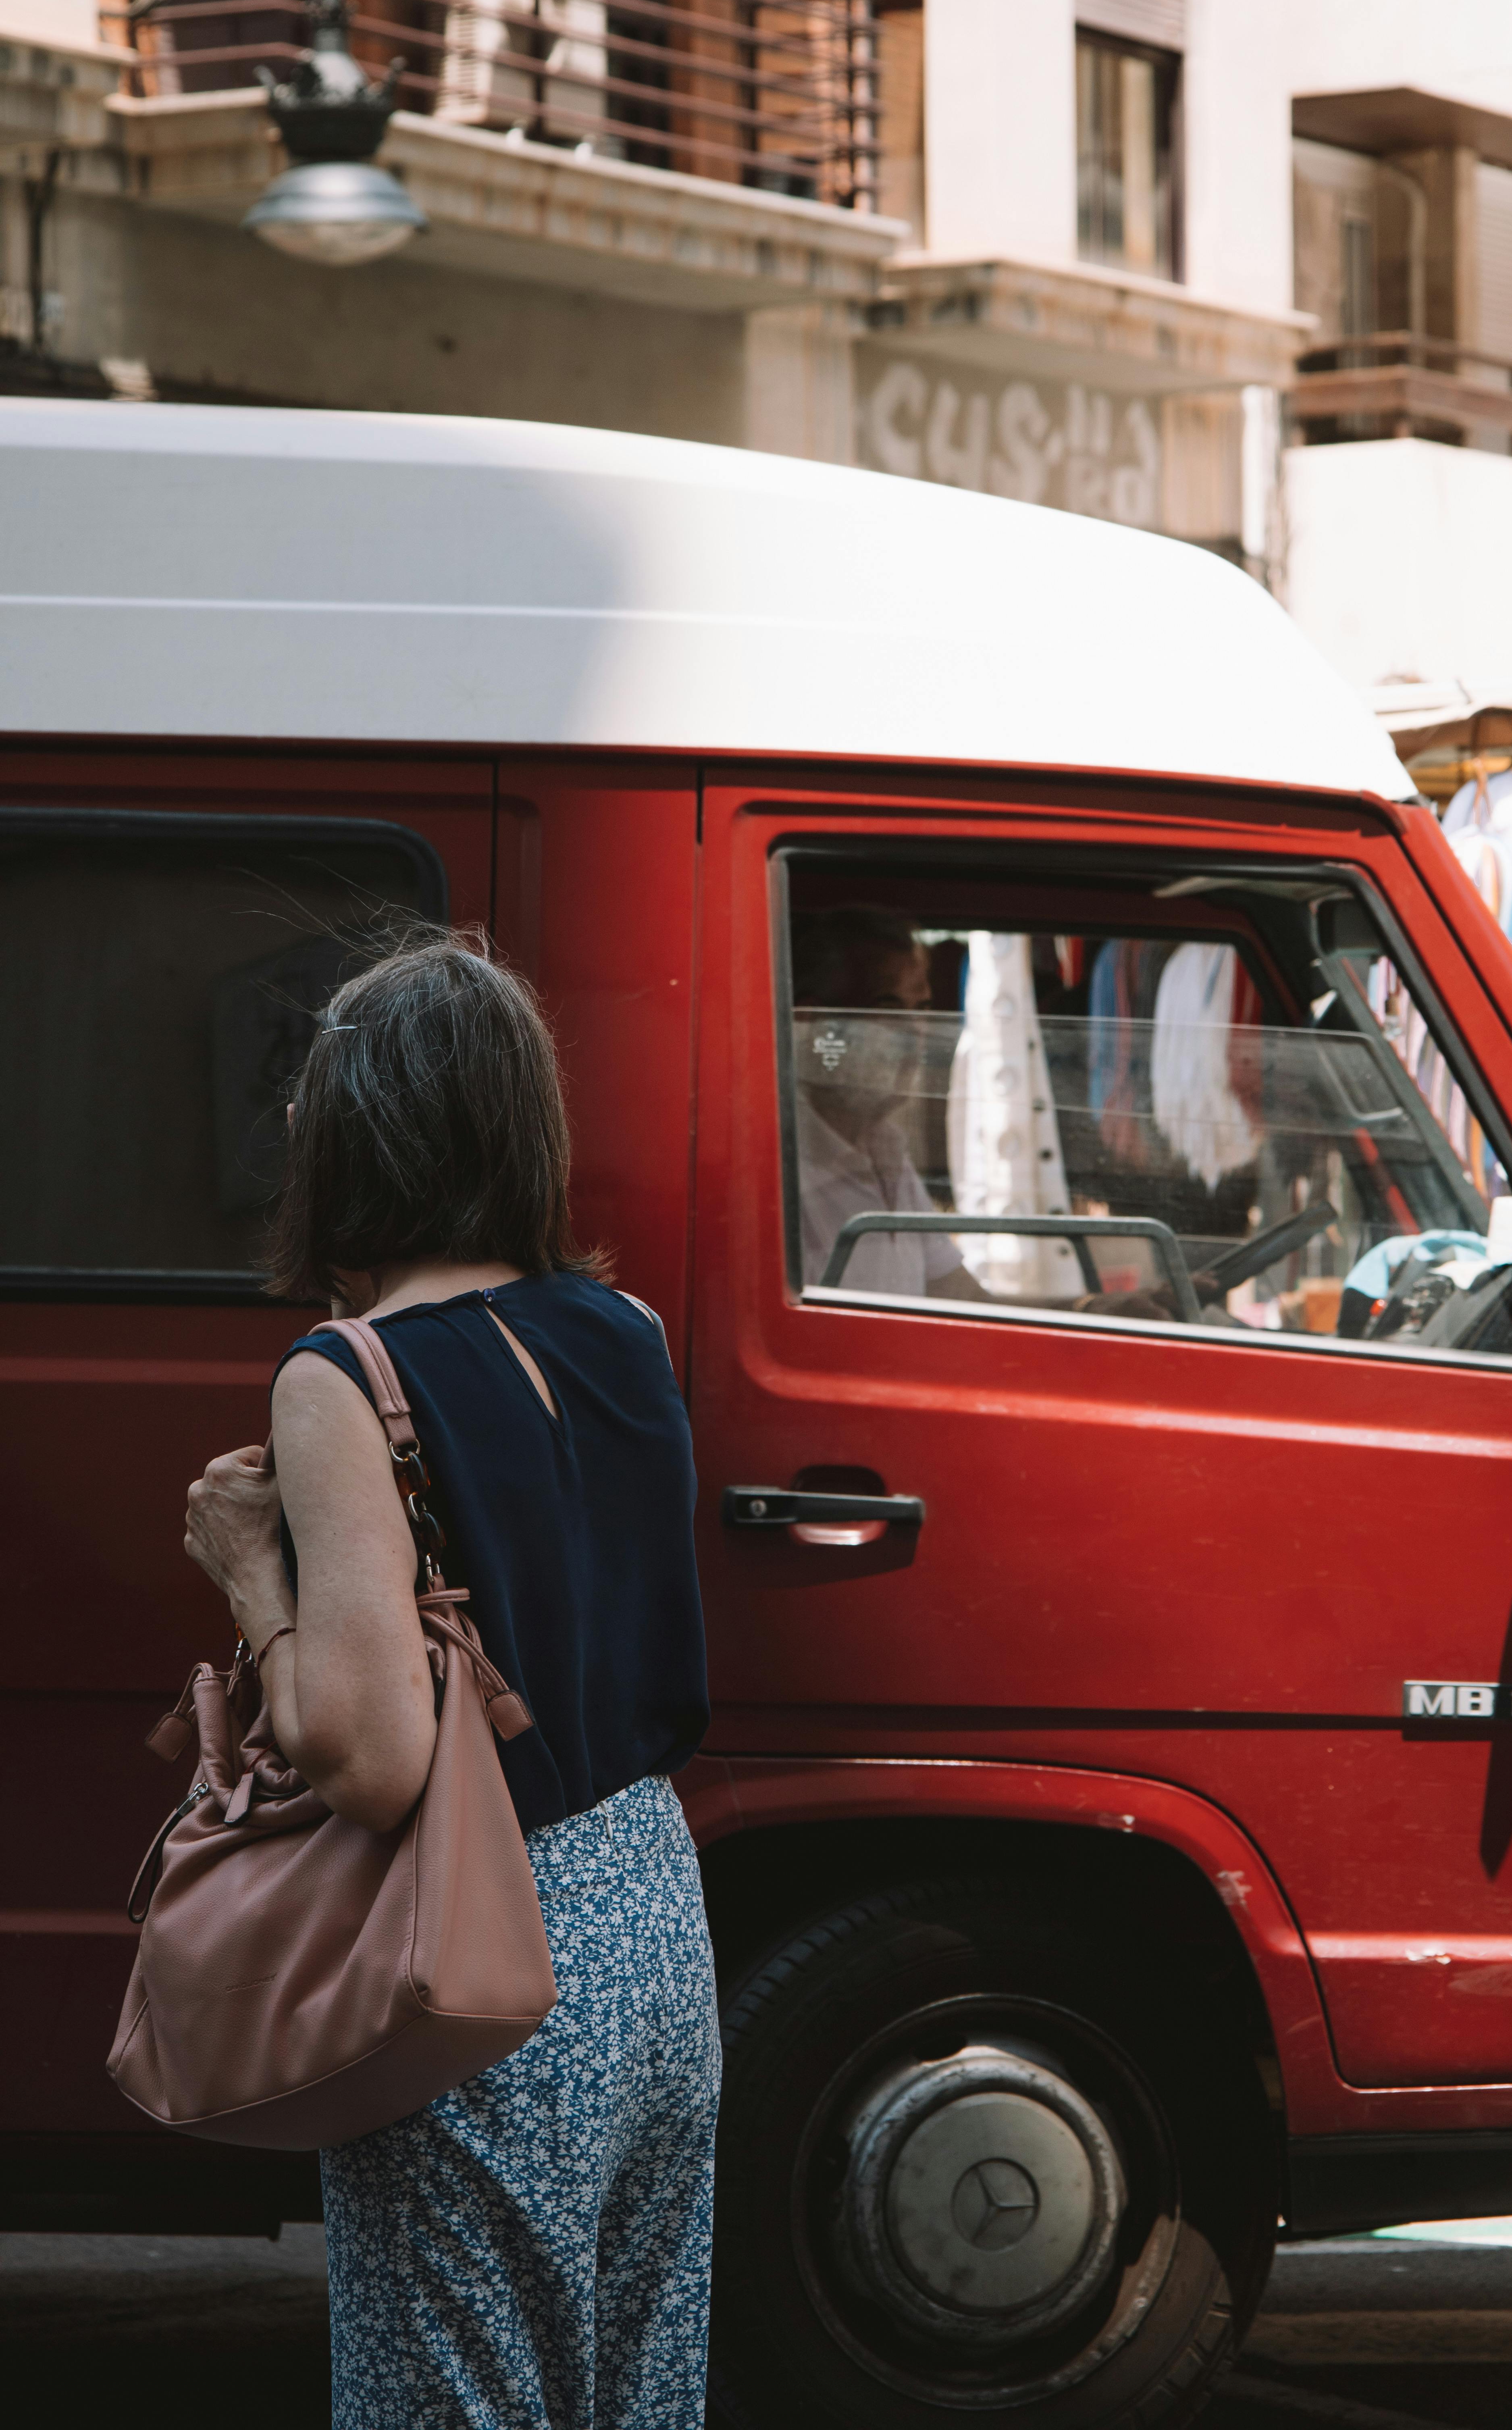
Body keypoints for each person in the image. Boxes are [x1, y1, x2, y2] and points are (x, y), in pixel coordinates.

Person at [180, 926, 718, 2430]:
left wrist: (247, 1570)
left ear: (351, 1137)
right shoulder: (625, 1335)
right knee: (631, 2388)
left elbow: (366, 1754)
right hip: (658, 1926)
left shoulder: (345, 1376)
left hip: (480, 1940)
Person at [790, 904, 987, 1300]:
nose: (914, 1033)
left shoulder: (886, 1150)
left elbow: (962, 1300)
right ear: (814, 1023)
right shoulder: (785, 1169)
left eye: (922, 1010)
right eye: (888, 1007)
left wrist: (1088, 1310)